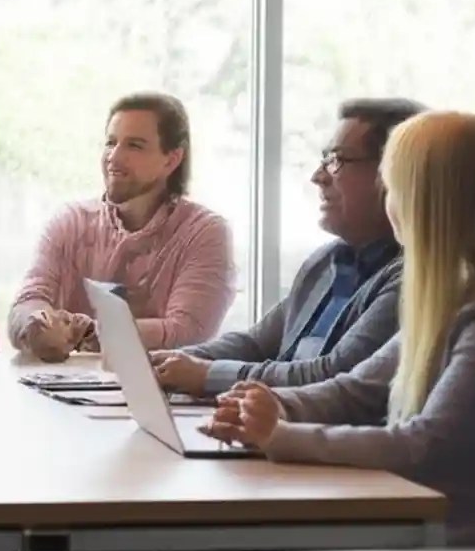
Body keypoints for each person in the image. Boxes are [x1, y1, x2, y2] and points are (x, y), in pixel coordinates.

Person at [203, 111, 475, 547]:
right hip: (439, 541)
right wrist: (270, 405)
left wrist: (280, 436)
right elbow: (355, 389)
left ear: (428, 201)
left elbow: (423, 445)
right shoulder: (458, 298)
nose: (387, 200)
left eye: (392, 187)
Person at [152, 98, 425, 396]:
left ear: (391, 175)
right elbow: (256, 343)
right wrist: (174, 361)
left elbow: (334, 375)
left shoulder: (413, 277)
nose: (318, 176)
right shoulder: (324, 261)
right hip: (271, 422)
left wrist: (207, 374)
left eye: (336, 160)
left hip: (310, 433)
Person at [8, 92, 234, 363]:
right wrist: (36, 326)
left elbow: (187, 332)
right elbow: (27, 302)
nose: (114, 157)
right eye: (110, 142)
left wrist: (91, 333)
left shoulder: (205, 232)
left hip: (162, 394)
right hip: (61, 393)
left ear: (172, 159)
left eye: (134, 146)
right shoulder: (71, 221)